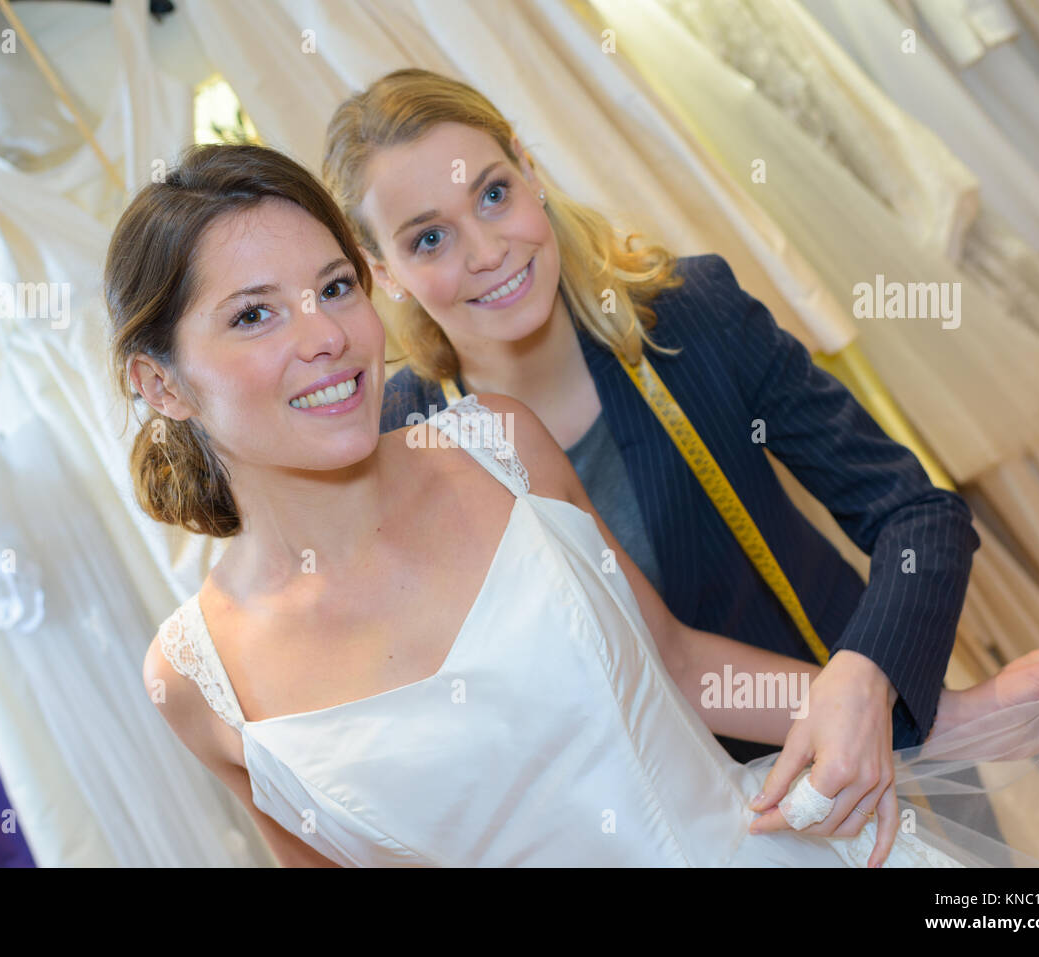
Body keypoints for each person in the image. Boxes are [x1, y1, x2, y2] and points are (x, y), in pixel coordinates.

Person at [108, 142, 1039, 867]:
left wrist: (943, 724)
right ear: (160, 384)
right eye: (253, 315)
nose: (323, 335)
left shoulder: (493, 444)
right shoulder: (196, 681)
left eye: (332, 288)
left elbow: (674, 665)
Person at [321, 68, 989, 836]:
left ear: (529, 171)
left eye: (494, 193)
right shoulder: (401, 448)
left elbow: (918, 513)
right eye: (429, 238)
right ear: (383, 273)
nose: (486, 250)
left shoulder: (691, 317)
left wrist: (870, 677)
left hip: (869, 765)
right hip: (662, 831)